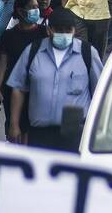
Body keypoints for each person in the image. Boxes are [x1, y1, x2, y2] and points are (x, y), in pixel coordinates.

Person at [6, 9, 103, 150]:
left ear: (74, 31)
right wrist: (14, 124)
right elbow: (19, 88)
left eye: (68, 30)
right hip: (40, 135)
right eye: (59, 30)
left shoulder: (87, 53)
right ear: (49, 30)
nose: (63, 34)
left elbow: (100, 93)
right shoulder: (33, 51)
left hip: (76, 134)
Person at [0, 0, 46, 141]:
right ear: (20, 11)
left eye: (37, 7)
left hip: (37, 86)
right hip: (12, 87)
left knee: (31, 127)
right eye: (32, 7)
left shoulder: (44, 33)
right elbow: (2, 63)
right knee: (15, 126)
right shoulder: (9, 35)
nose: (36, 10)